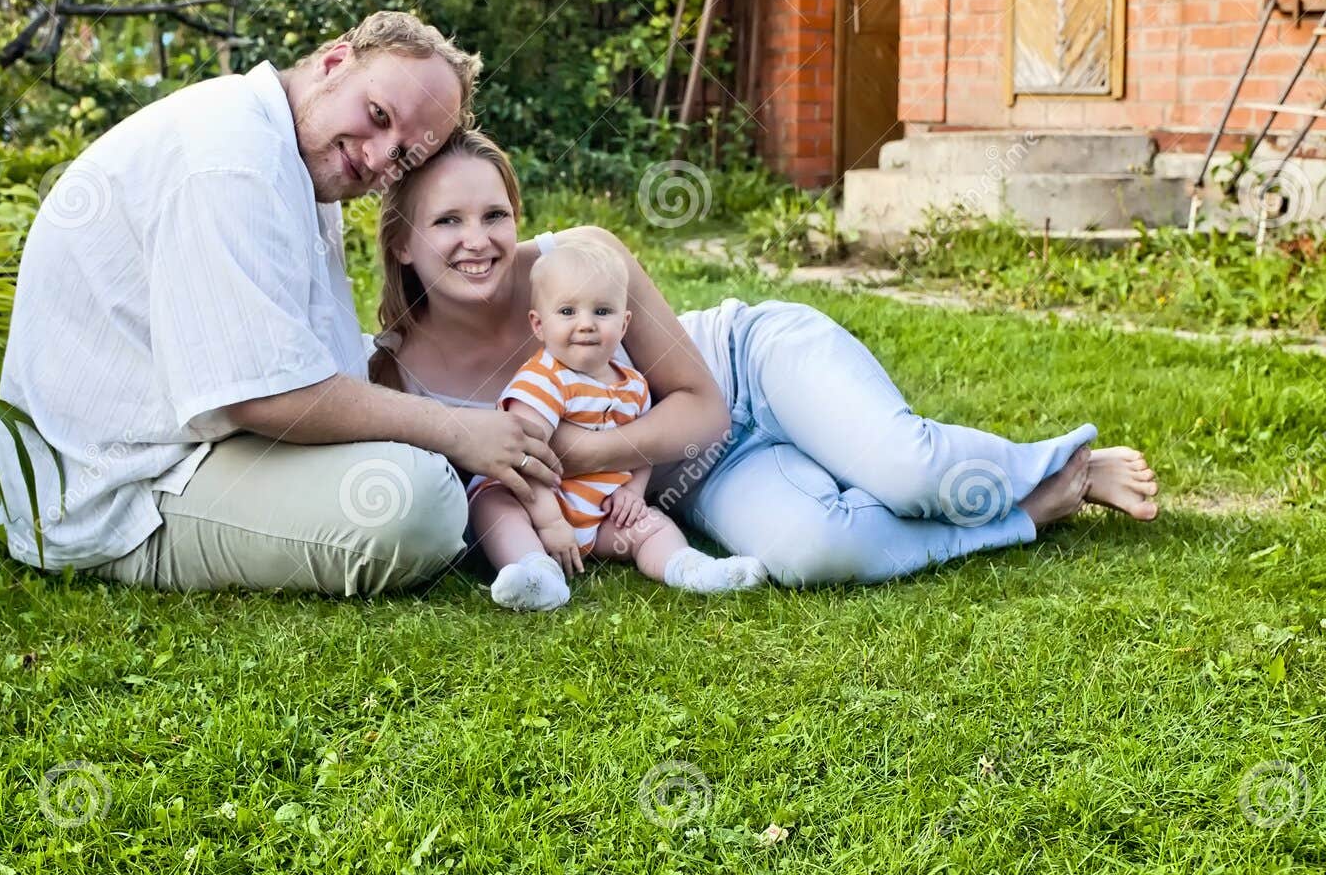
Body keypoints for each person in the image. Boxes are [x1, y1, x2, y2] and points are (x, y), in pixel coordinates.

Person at [369, 131, 1161, 590]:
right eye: (447, 222)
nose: (478, 241)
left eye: (495, 214)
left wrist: (584, 452)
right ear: (402, 242)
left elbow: (702, 406)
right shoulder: (395, 373)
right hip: (689, 478)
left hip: (747, 369)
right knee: (817, 552)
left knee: (909, 469)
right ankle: (1029, 510)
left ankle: (1058, 460)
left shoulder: (577, 261)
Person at [0, 11, 565, 597]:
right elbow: (263, 396)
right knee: (416, 500)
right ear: (336, 61)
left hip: (196, 447)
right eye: (377, 116)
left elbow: (311, 362)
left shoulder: (292, 155)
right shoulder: (235, 158)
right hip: (122, 492)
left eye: (403, 157)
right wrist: (456, 430)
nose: (377, 159)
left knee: (420, 461)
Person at [468, 236, 768, 611]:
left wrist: (633, 491)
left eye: (602, 311)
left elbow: (641, 449)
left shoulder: (635, 386)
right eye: (567, 312)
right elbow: (524, 457)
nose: (586, 325)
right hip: (534, 504)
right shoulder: (541, 380)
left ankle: (690, 568)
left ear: (624, 323)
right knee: (494, 505)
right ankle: (536, 571)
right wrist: (549, 522)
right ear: (539, 324)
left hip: (600, 513)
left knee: (651, 526)